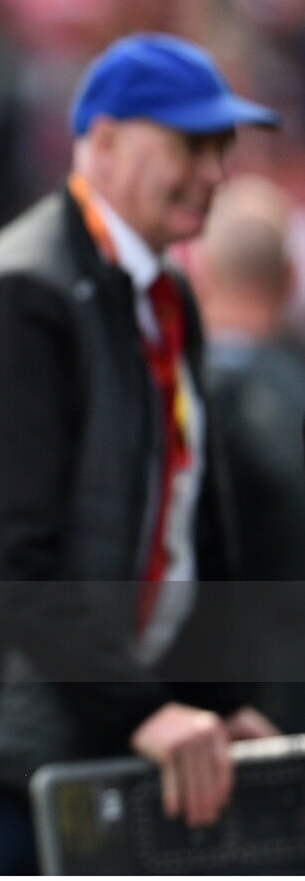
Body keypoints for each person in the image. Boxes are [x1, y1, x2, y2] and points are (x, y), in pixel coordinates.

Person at [0, 33, 280, 874]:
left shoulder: (165, 293)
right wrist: (141, 710)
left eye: (223, 147)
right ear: (103, 141)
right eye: (190, 146)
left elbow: (192, 520)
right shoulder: (25, 292)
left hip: (99, 739)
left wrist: (216, 700)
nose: (216, 172)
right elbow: (7, 554)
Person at [192, 174, 305, 732]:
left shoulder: (169, 399)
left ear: (201, 271)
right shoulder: (293, 396)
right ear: (289, 278)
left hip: (193, 713)